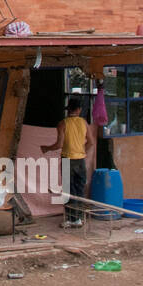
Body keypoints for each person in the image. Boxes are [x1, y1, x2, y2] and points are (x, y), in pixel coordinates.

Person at [42, 96, 94, 228]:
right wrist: (82, 152)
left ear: (68, 109)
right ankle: (79, 219)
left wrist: (46, 148)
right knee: (79, 190)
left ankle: (70, 219)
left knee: (68, 190)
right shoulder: (84, 123)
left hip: (67, 161)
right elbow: (91, 142)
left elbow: (59, 145)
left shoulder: (63, 124)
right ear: (79, 109)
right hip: (80, 161)